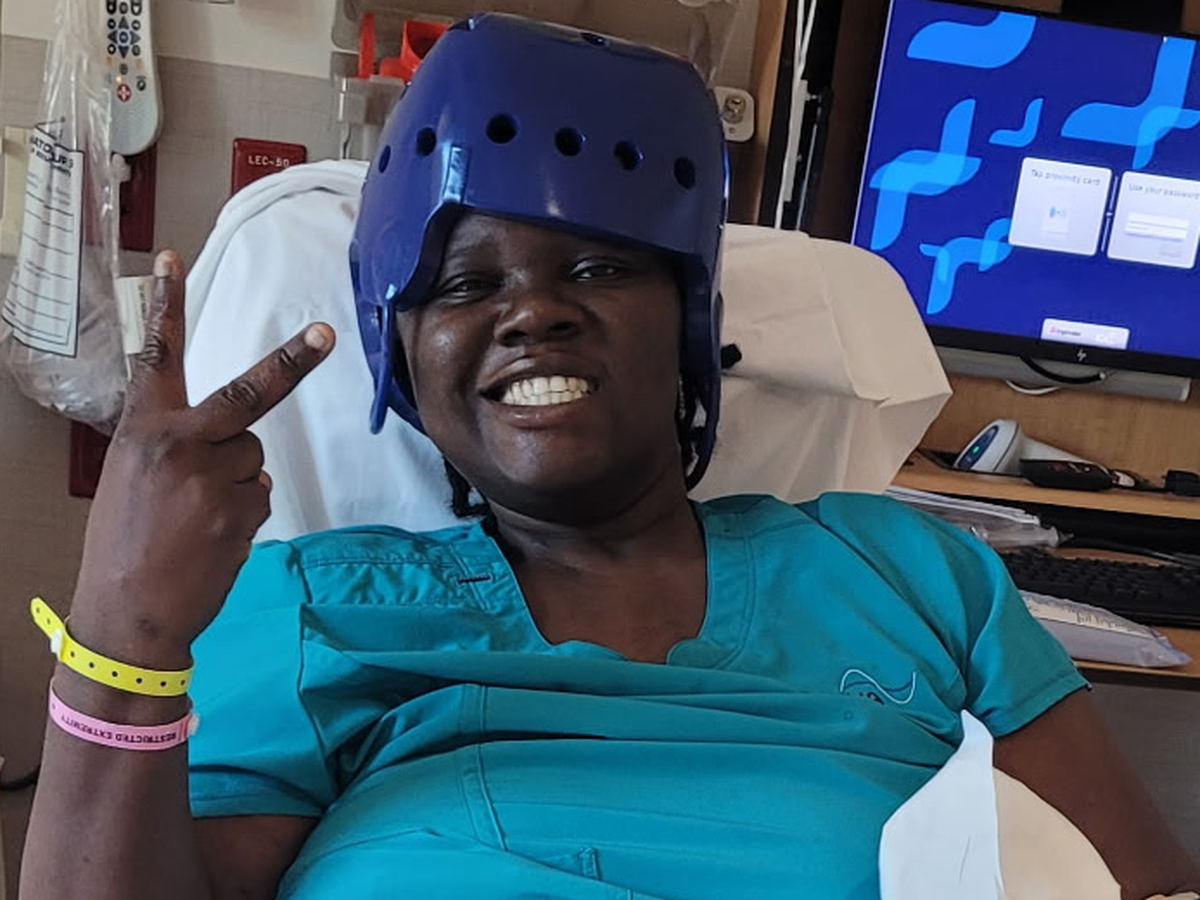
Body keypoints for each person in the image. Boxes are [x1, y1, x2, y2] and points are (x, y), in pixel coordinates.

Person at [19, 13, 1200, 900]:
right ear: (407, 360)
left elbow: (1141, 886)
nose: (532, 313)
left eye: (598, 268)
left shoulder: (915, 580)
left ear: (690, 326)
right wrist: (126, 626)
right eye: (465, 284)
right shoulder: (313, 609)